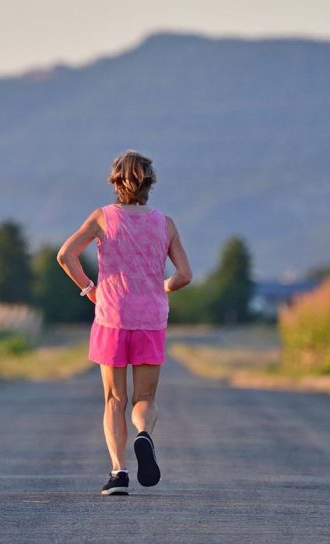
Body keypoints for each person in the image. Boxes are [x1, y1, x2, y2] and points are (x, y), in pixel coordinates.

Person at [57, 149, 192, 496]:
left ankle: (118, 473)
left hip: (112, 316)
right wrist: (162, 287)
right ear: (150, 182)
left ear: (115, 181)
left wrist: (90, 289)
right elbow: (184, 275)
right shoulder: (165, 223)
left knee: (114, 399)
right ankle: (143, 434)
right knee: (144, 397)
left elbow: (65, 255)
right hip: (150, 318)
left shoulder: (103, 217)